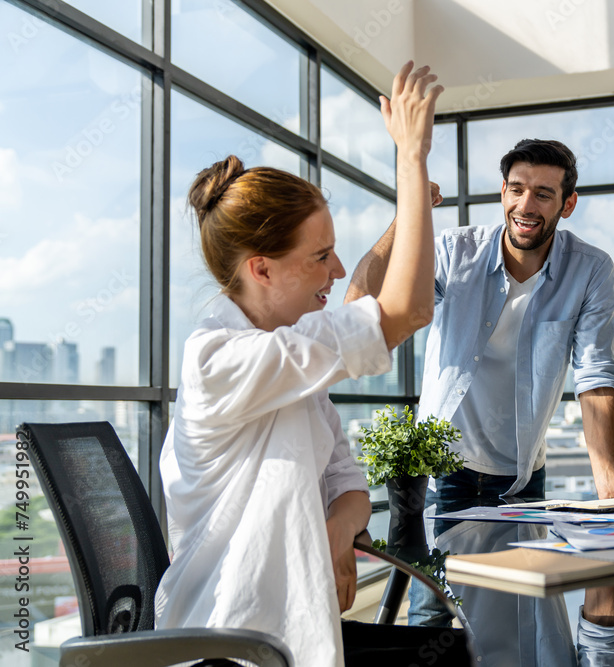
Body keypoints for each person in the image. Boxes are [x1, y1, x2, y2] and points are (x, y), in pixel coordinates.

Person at [153, 62, 466, 666]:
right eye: (321, 256)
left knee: (455, 652)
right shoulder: (222, 360)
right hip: (235, 648)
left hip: (295, 629)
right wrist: (411, 156)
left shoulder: (285, 354)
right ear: (260, 267)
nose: (338, 270)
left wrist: (334, 535)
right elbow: (407, 309)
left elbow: (348, 484)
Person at [346, 138, 614, 503]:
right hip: (439, 472)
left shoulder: (590, 269)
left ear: (568, 204)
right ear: (503, 192)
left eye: (543, 194)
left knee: (524, 562)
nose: (525, 206)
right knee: (437, 563)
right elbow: (360, 312)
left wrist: (610, 483)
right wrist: (406, 216)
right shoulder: (455, 252)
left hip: (521, 480)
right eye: (517, 189)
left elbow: (596, 370)